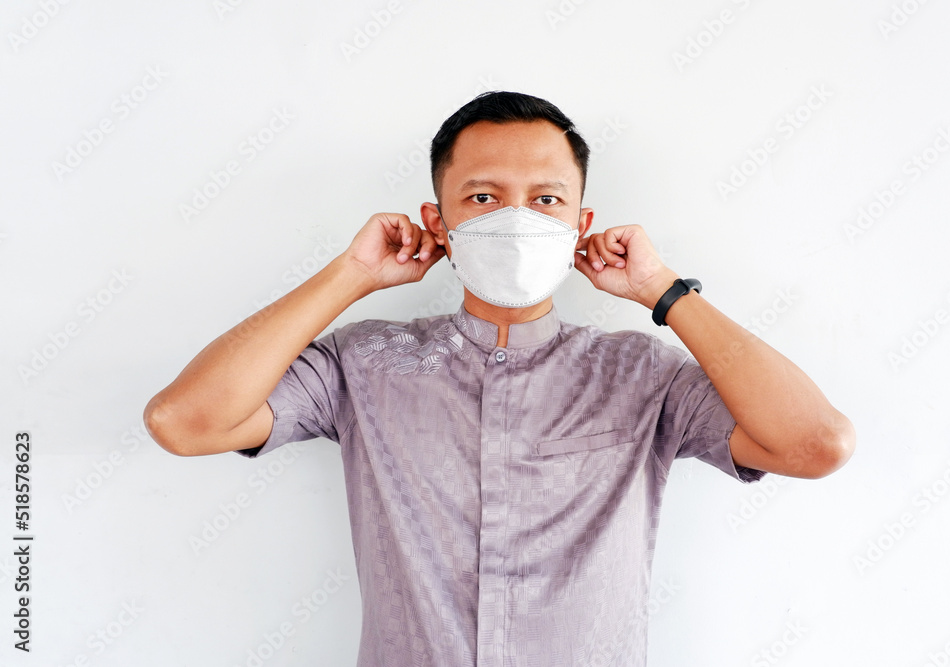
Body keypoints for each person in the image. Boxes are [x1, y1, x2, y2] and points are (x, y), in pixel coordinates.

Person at [144, 91, 855, 666]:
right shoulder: (360, 365)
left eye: (546, 200)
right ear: (439, 221)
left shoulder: (643, 375)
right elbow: (184, 421)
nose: (516, 219)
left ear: (581, 222)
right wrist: (351, 276)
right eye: (483, 198)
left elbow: (816, 443)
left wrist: (663, 291)